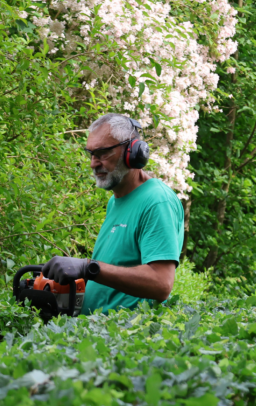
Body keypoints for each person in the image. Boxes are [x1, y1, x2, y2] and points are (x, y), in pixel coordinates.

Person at [41, 113, 184, 314]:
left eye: (103, 153)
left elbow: (161, 283)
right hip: (97, 336)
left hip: (127, 339)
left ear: (133, 152)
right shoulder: (115, 201)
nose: (93, 163)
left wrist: (88, 268)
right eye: (91, 154)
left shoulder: (157, 201)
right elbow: (113, 274)